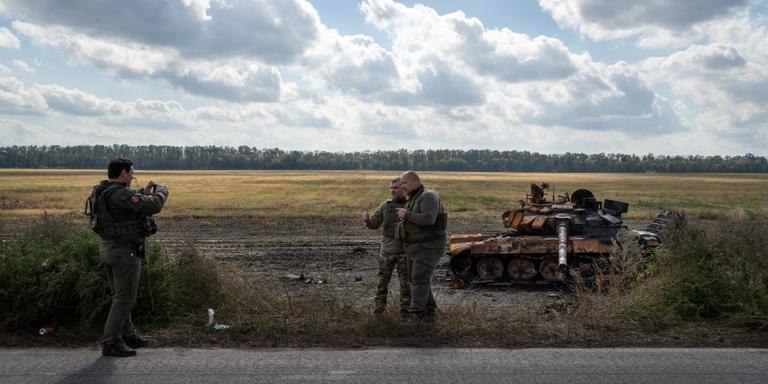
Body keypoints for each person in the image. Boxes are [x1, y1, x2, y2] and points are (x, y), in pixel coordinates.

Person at [95, 158, 169, 357]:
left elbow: (126, 202)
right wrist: (162, 191)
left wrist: (140, 194)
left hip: (109, 249)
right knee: (125, 297)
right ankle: (110, 342)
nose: (133, 176)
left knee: (120, 296)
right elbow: (153, 205)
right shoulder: (120, 193)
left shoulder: (104, 191)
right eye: (131, 173)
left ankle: (128, 335)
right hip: (123, 252)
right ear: (123, 174)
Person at [395, 171, 447, 322]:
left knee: (419, 279)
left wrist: (407, 214)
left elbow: (429, 219)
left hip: (428, 247)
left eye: (404, 183)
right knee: (418, 280)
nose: (402, 186)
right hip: (417, 247)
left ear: (414, 181)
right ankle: (429, 313)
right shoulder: (415, 197)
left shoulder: (428, 196)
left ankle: (416, 316)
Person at [362, 177, 411, 320]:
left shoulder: (411, 205)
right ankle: (378, 313)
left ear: (403, 188)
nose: (392, 190)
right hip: (387, 251)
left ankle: (405, 315)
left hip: (404, 252)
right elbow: (374, 224)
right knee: (382, 284)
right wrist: (366, 220)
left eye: (395, 188)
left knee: (406, 286)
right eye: (391, 188)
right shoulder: (385, 205)